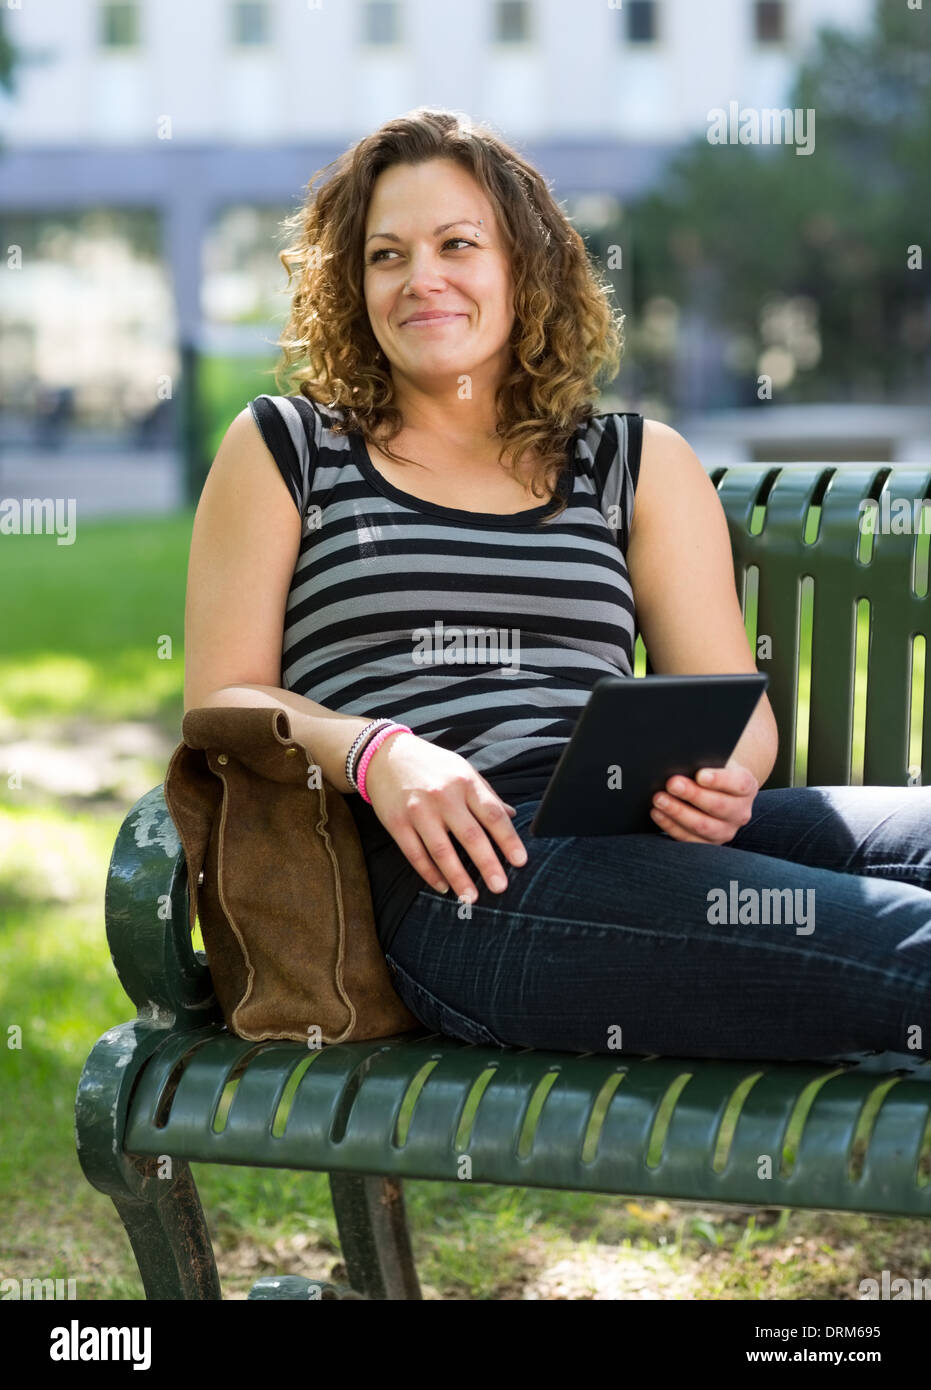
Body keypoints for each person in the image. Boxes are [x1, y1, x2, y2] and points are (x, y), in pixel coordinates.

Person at [183, 108, 931, 1063]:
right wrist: (378, 753)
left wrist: (724, 777)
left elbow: (728, 700)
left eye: (458, 243)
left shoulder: (632, 461)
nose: (422, 278)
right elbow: (221, 700)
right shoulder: (287, 447)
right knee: (906, 950)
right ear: (352, 281)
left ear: (523, 266)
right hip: (458, 880)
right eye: (385, 255)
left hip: (631, 826)